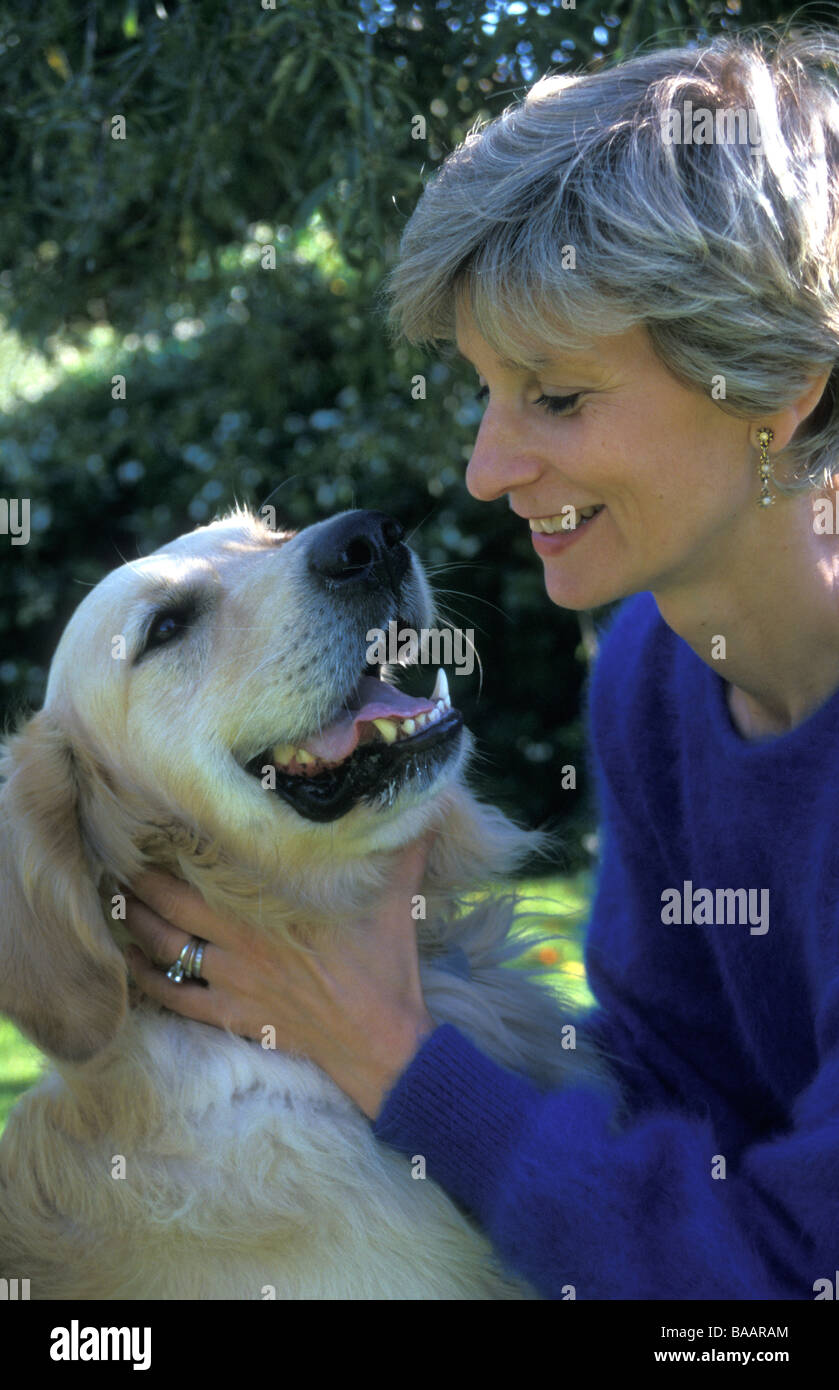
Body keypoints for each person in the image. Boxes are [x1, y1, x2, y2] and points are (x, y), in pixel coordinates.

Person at [124, 27, 839, 1299]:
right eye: (484, 391)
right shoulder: (654, 668)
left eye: (555, 398)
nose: (485, 470)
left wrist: (389, 1055)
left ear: (773, 386)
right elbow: (677, 1097)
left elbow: (780, 1287)